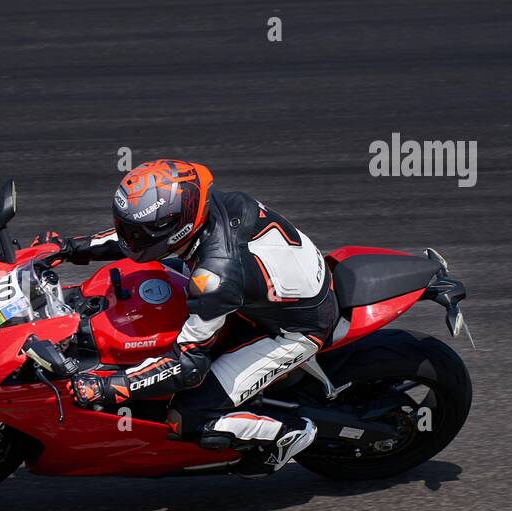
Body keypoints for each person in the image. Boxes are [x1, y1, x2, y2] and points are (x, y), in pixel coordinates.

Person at [36, 159, 337, 476]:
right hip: (261, 292)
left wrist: (112, 386)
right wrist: (69, 247)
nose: (132, 238)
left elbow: (189, 366)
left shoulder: (215, 277)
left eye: (139, 231)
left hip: (294, 329)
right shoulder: (211, 207)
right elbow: (135, 239)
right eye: (128, 227)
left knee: (189, 416)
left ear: (178, 225)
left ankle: (289, 432)